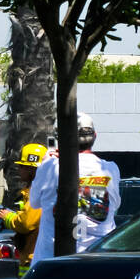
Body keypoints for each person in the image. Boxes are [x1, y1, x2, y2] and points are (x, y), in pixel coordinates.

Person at [28, 112, 121, 262]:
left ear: (63, 139)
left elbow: (34, 202)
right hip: (98, 260)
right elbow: (115, 205)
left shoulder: (50, 166)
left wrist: (46, 161)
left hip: (51, 261)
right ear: (95, 136)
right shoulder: (110, 169)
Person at [0, 143, 48, 277]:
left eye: (22, 166)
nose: (18, 170)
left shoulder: (37, 191)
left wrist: (9, 218)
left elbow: (27, 223)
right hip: (34, 257)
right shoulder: (41, 189)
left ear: (31, 169)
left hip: (33, 259)